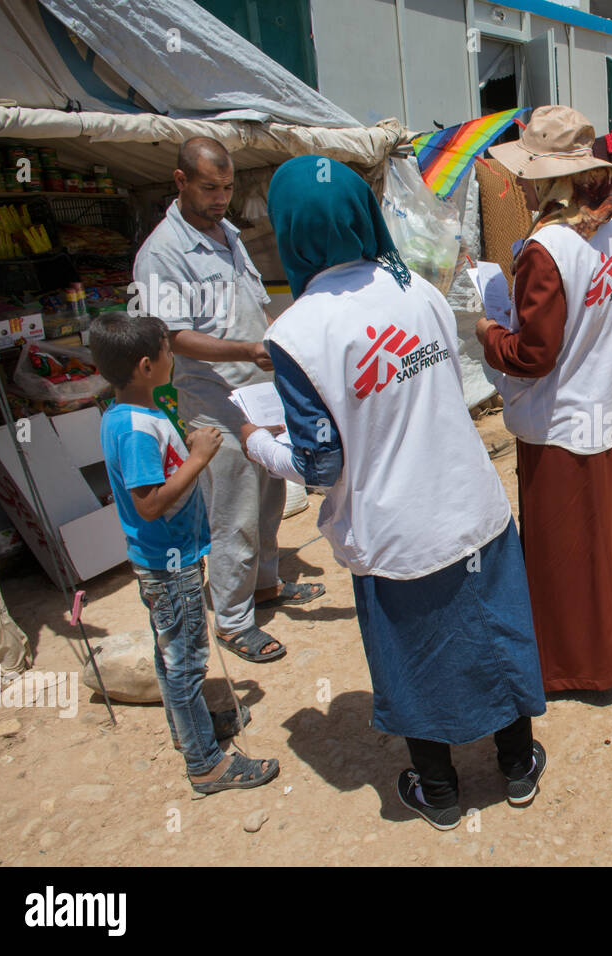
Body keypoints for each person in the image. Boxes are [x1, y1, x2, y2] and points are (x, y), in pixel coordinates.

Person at [242, 156, 546, 831]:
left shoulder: (293, 335)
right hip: (471, 506)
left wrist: (256, 443)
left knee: (415, 659)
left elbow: (320, 464)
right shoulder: (419, 291)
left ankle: (437, 791)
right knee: (494, 633)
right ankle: (519, 766)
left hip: (395, 532)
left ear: (291, 233)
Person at [132, 137, 324, 666]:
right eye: (210, 187)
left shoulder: (229, 235)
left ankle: (264, 585)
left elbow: (255, 308)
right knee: (233, 507)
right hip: (212, 394)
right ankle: (234, 620)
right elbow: (172, 336)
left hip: (257, 388)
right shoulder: (162, 253)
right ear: (180, 181)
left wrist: (276, 348)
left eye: (228, 187)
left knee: (268, 493)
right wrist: (246, 349)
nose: (221, 198)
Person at [479, 105, 612, 695]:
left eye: (529, 171)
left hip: (562, 423)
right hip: (606, 406)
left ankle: (581, 662)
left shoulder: (545, 249)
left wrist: (487, 334)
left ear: (550, 178)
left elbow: (533, 354)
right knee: (608, 534)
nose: (520, 182)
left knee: (567, 550)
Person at [93, 311, 279, 795]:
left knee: (171, 651)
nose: (173, 356)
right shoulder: (135, 428)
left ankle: (189, 730)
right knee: (187, 661)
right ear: (146, 365)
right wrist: (198, 458)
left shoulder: (136, 412)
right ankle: (206, 765)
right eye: (167, 351)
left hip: (169, 558)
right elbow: (150, 504)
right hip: (166, 563)